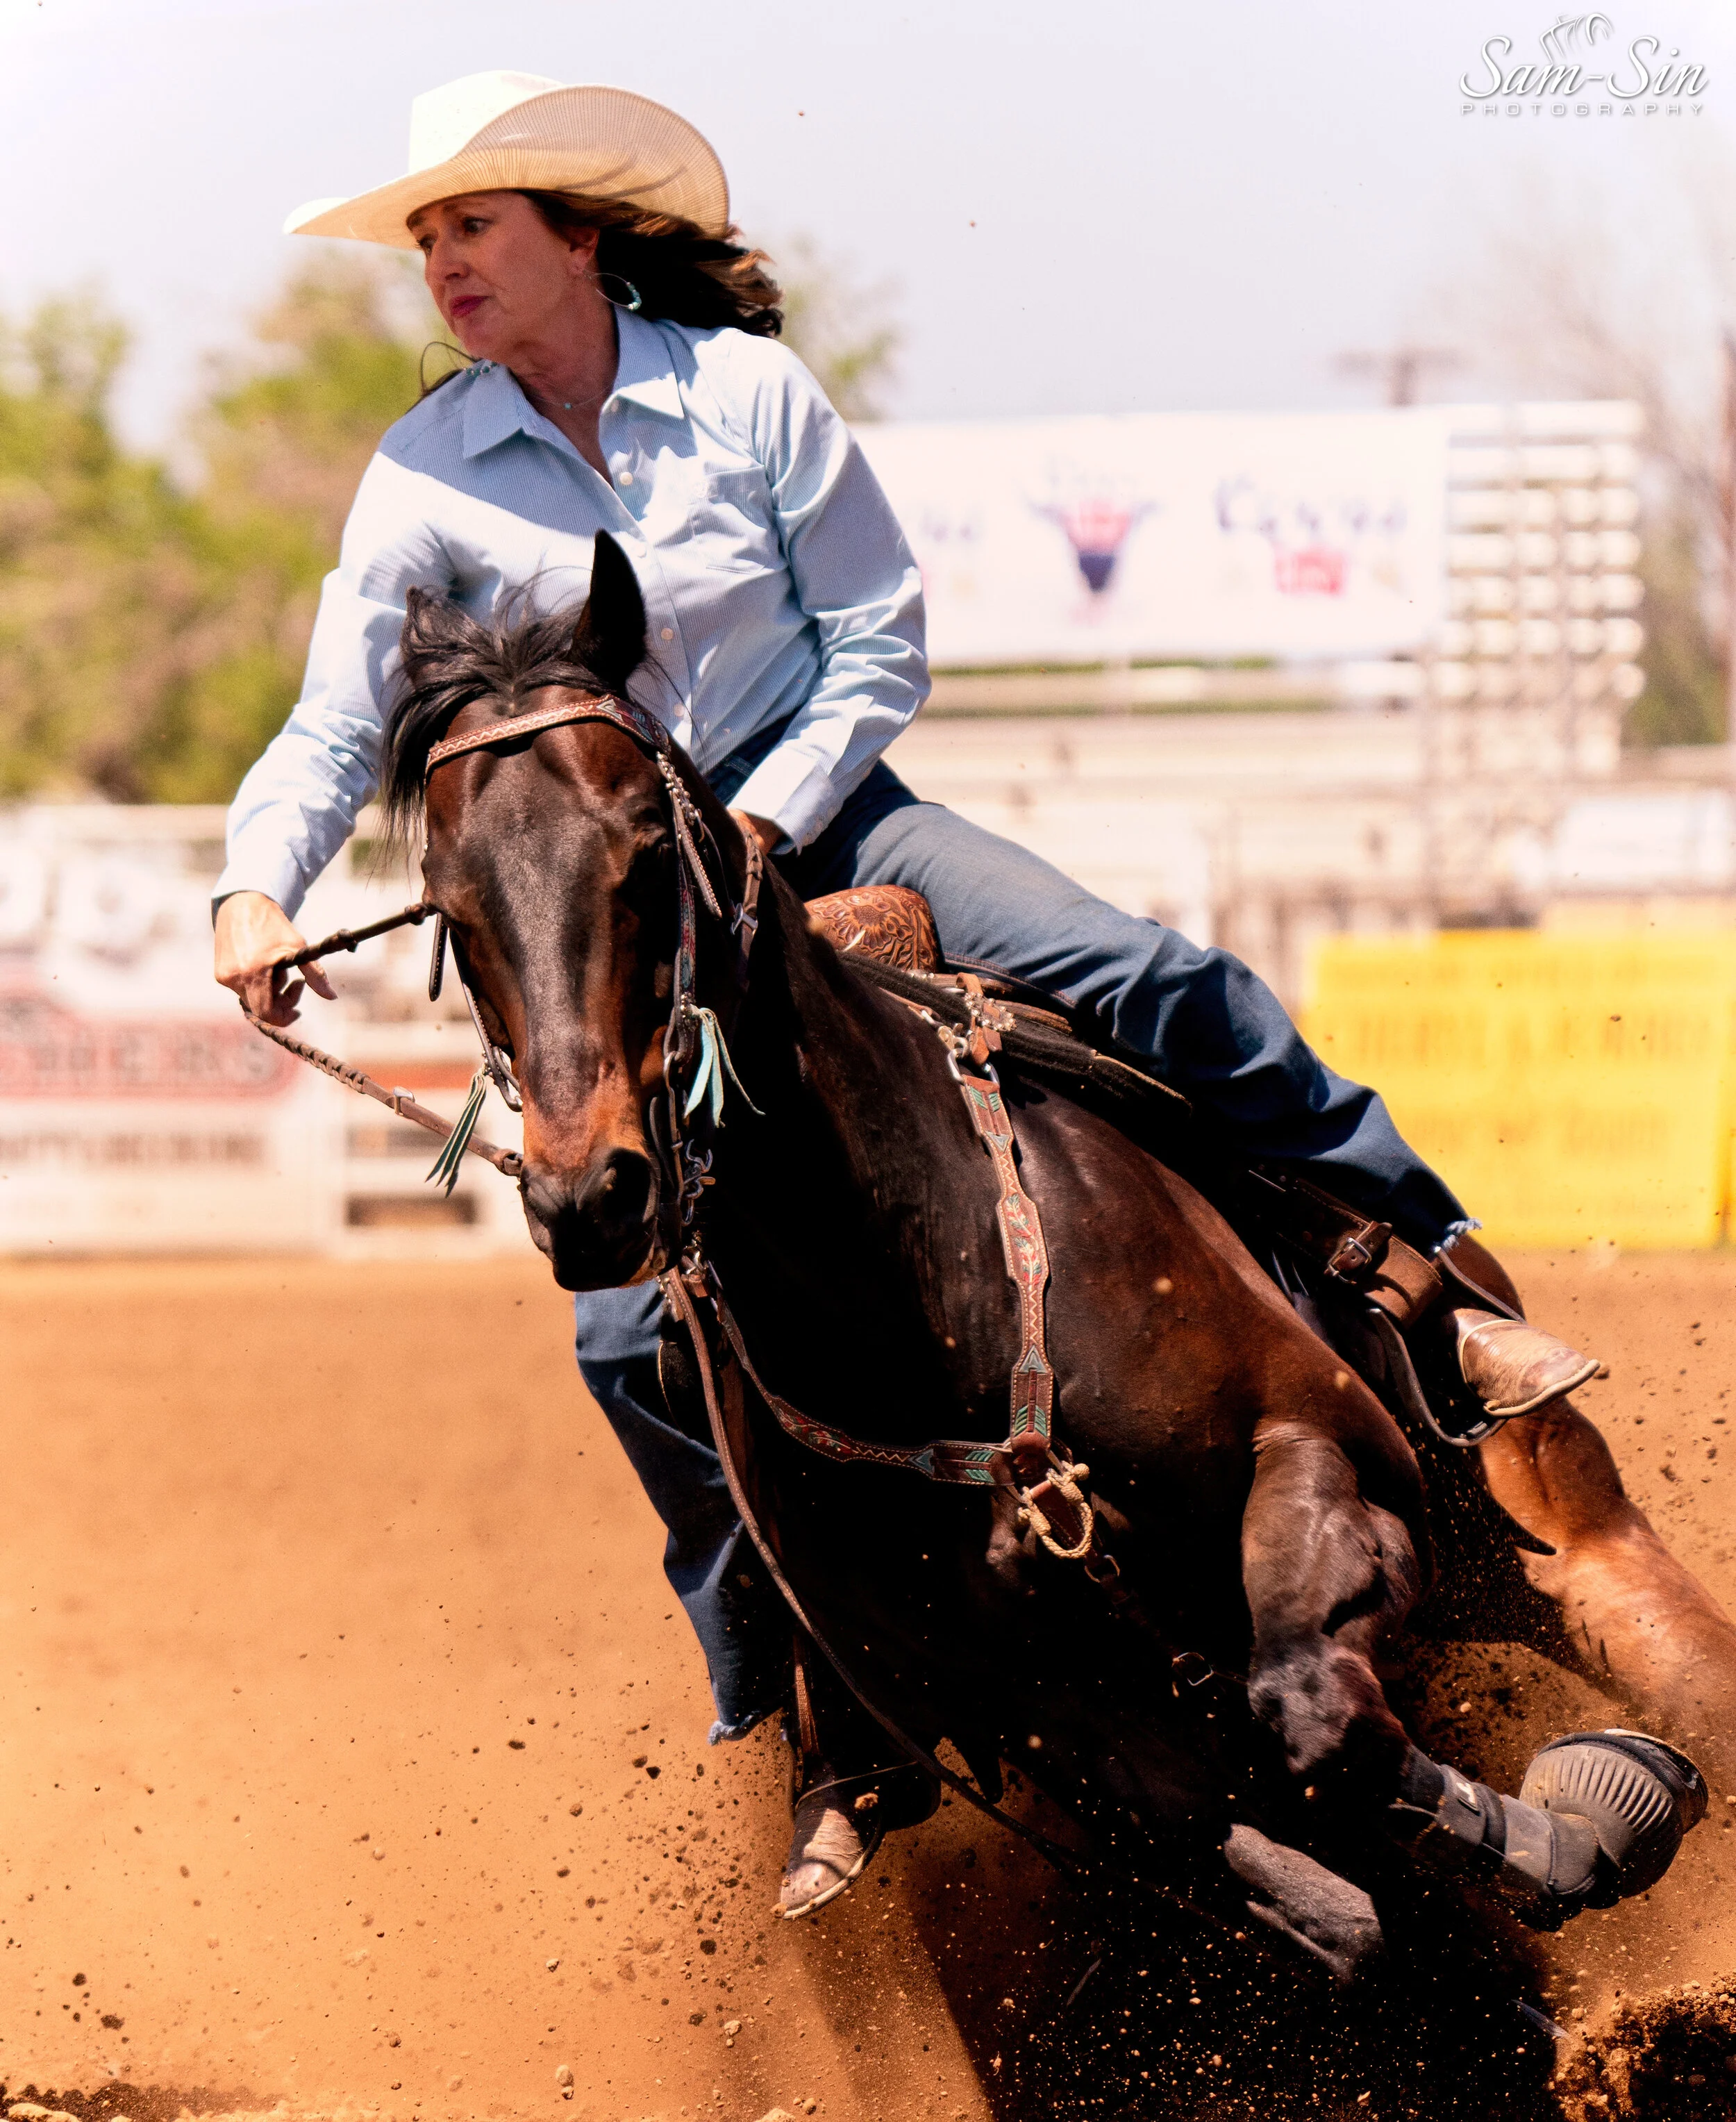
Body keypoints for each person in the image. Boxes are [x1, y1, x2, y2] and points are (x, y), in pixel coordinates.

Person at [214, 71, 1598, 1918]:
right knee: (630, 1341)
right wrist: (253, 881)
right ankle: (810, 1714)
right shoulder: (424, 473)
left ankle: (1433, 1305)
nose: (442, 263)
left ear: (579, 234)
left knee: (1157, 979)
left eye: (472, 225)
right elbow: (334, 725)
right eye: (428, 237)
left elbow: (876, 639)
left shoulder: (749, 398)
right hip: (630, 932)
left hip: (829, 819)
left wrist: (757, 832)